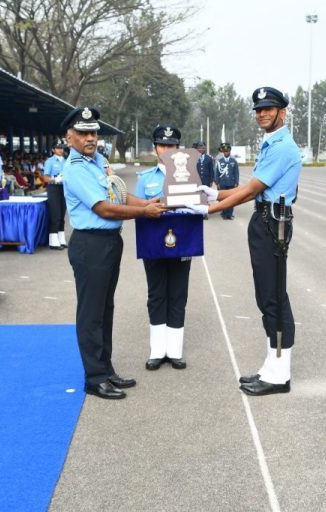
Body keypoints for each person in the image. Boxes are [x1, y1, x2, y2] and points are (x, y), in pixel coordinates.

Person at [189, 86, 301, 396]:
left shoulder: (281, 146)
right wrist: (215, 192)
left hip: (273, 224)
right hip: (265, 220)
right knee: (267, 294)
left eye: (269, 108)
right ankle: (272, 366)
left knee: (274, 295)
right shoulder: (271, 143)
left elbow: (252, 190)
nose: (262, 113)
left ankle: (280, 374)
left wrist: (209, 207)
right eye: (258, 109)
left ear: (283, 111)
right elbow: (251, 188)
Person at [62, 106, 166, 400]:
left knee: (105, 309)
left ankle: (105, 369)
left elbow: (118, 195)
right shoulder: (76, 169)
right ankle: (94, 378)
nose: (90, 138)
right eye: (83, 133)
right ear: (70, 137)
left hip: (108, 242)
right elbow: (104, 208)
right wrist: (145, 211)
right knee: (91, 312)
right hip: (91, 244)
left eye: (93, 132)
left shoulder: (97, 162)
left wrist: (147, 201)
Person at [135, 124, 197, 371]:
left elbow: (197, 208)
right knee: (156, 294)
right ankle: (157, 350)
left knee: (178, 294)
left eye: (172, 146)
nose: (167, 150)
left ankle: (175, 350)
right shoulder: (145, 179)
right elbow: (140, 209)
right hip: (153, 242)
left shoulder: (191, 175)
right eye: (163, 145)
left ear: (178, 149)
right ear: (156, 148)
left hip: (182, 240)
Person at [43, 138, 67, 250]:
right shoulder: (50, 161)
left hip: (64, 188)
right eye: (58, 148)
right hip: (53, 188)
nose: (60, 150)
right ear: (53, 150)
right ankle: (53, 240)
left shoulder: (66, 161)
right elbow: (45, 178)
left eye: (61, 148)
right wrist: (55, 179)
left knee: (62, 214)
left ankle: (61, 239)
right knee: (55, 214)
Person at [214, 142, 240, 217]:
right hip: (222, 183)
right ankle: (224, 213)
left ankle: (229, 214)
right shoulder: (220, 161)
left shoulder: (233, 161)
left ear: (229, 151)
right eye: (224, 151)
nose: (226, 153)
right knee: (223, 200)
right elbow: (217, 173)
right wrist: (217, 182)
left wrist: (236, 182)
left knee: (231, 199)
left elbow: (236, 173)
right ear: (223, 152)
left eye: (227, 151)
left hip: (231, 183)